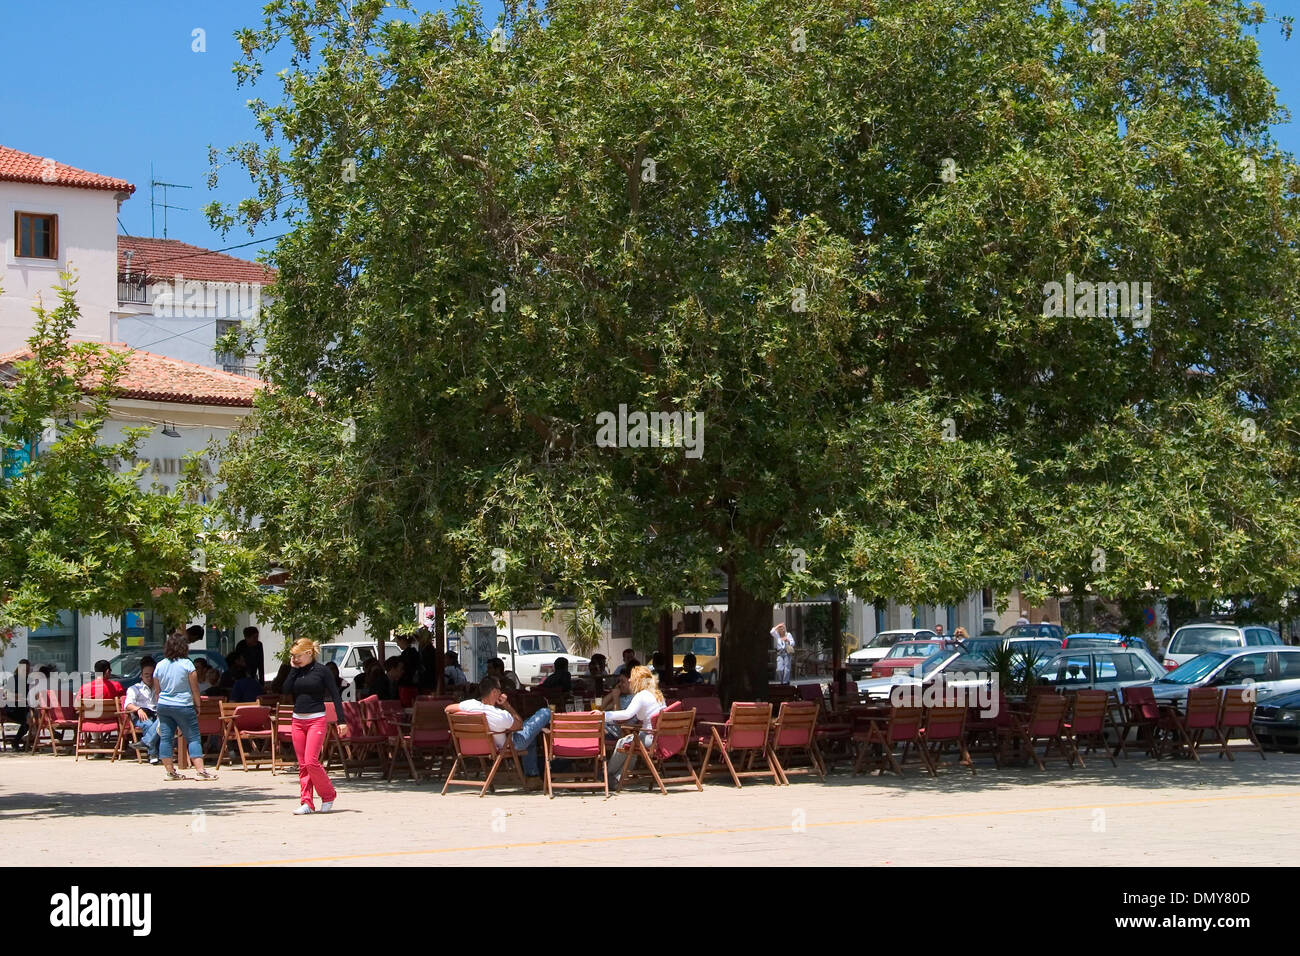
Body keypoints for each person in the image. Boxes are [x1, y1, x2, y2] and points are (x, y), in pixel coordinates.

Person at [447, 676, 551, 789]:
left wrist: (466, 716)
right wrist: (506, 705)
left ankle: (533, 777)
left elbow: (448, 709)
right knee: (545, 712)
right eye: (500, 689)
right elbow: (519, 725)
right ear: (495, 692)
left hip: (476, 746)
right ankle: (533, 777)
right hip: (510, 745)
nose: (501, 692)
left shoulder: (470, 705)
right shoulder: (500, 715)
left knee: (531, 733)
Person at [281, 638, 347, 814]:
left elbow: (335, 695)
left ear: (309, 653)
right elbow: (285, 690)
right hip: (297, 720)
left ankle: (328, 794)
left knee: (311, 761)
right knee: (303, 764)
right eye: (293, 656)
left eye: (298, 656)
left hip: (316, 719)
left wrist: (341, 720)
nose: (295, 659)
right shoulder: (296, 670)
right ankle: (307, 802)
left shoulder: (322, 671)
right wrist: (293, 670)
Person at [152, 632, 217, 781]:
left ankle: (170, 772)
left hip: (164, 705)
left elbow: (157, 691)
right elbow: (195, 689)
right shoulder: (187, 664)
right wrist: (198, 705)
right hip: (183, 705)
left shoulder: (160, 665)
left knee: (166, 738)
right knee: (193, 737)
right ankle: (200, 771)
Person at [600, 665, 666, 785]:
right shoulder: (658, 694)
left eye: (632, 677)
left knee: (623, 743)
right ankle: (616, 779)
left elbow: (627, 714)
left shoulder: (641, 695)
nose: (630, 680)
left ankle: (605, 776)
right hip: (662, 738)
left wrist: (603, 715)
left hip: (651, 738)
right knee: (633, 749)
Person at [125, 656, 161, 764]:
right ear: (141, 675)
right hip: (141, 715)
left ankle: (146, 742)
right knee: (149, 724)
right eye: (146, 675)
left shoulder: (160, 688)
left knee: (163, 720)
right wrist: (138, 709)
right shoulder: (134, 688)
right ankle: (153, 754)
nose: (149, 678)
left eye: (151, 675)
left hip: (158, 715)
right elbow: (128, 704)